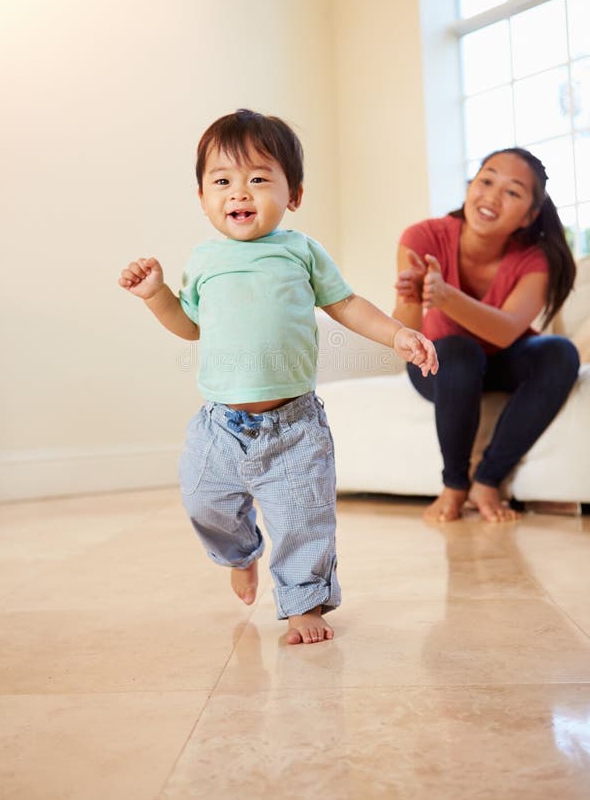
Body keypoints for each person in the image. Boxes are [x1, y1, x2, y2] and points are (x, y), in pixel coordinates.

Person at [119, 109, 438, 645]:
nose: (239, 193)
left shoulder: (300, 251)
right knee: (204, 500)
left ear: (294, 195)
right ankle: (240, 554)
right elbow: (190, 327)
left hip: (294, 425)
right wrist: (156, 294)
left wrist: (397, 335)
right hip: (220, 425)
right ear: (202, 197)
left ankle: (303, 603)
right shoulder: (203, 261)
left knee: (303, 519)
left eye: (259, 179)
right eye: (222, 181)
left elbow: (347, 305)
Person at [394, 146, 579, 524]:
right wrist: (412, 295)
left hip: (501, 358)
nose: (493, 195)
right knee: (460, 353)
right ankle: (455, 484)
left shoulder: (534, 259)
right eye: (487, 180)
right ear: (471, 186)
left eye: (512, 192)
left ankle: (488, 479)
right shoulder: (423, 236)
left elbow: (508, 329)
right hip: (440, 364)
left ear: (529, 215)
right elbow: (407, 330)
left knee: (560, 352)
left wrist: (446, 296)